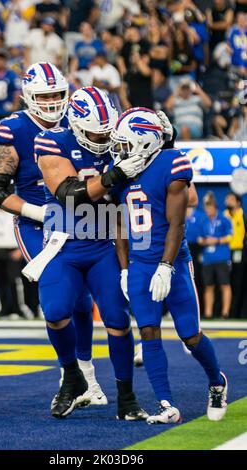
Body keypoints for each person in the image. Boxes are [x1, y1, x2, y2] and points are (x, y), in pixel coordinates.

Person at [0, 62, 106, 406]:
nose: (53, 102)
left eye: (57, 94)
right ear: (28, 97)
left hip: (80, 217)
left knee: (84, 300)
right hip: (37, 220)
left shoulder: (79, 120)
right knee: (60, 302)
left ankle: (88, 376)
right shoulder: (11, 128)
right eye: (45, 95)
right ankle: (71, 373)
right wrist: (37, 211)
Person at [34, 86, 148, 419]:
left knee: (116, 318)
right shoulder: (51, 140)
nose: (102, 139)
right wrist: (114, 174)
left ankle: (126, 398)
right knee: (55, 311)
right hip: (64, 242)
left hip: (104, 244)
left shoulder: (119, 141)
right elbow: (69, 193)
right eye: (95, 132)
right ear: (77, 124)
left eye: (105, 131)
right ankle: (72, 377)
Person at [109, 107, 228, 424]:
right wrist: (124, 269)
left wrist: (165, 265)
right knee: (148, 333)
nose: (120, 149)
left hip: (172, 261)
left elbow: (176, 224)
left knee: (190, 336)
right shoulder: (121, 170)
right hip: (139, 264)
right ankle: (166, 404)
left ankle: (217, 382)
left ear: (145, 141)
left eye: (126, 142)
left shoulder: (171, 162)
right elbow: (119, 225)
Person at [197, 191, 232, 319]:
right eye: (206, 208)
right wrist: (205, 241)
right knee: (208, 286)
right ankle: (208, 312)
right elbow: (199, 239)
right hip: (208, 259)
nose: (207, 210)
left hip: (222, 257)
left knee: (224, 284)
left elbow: (230, 237)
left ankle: (225, 312)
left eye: (209, 207)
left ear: (214, 207)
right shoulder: (204, 221)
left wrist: (216, 240)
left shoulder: (224, 219)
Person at [224, 192, 246, 317]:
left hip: (239, 252)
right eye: (227, 198)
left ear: (238, 202)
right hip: (224, 252)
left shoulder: (243, 216)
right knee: (225, 282)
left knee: (238, 283)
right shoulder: (223, 216)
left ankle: (238, 312)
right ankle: (224, 311)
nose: (228, 201)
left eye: (231, 199)